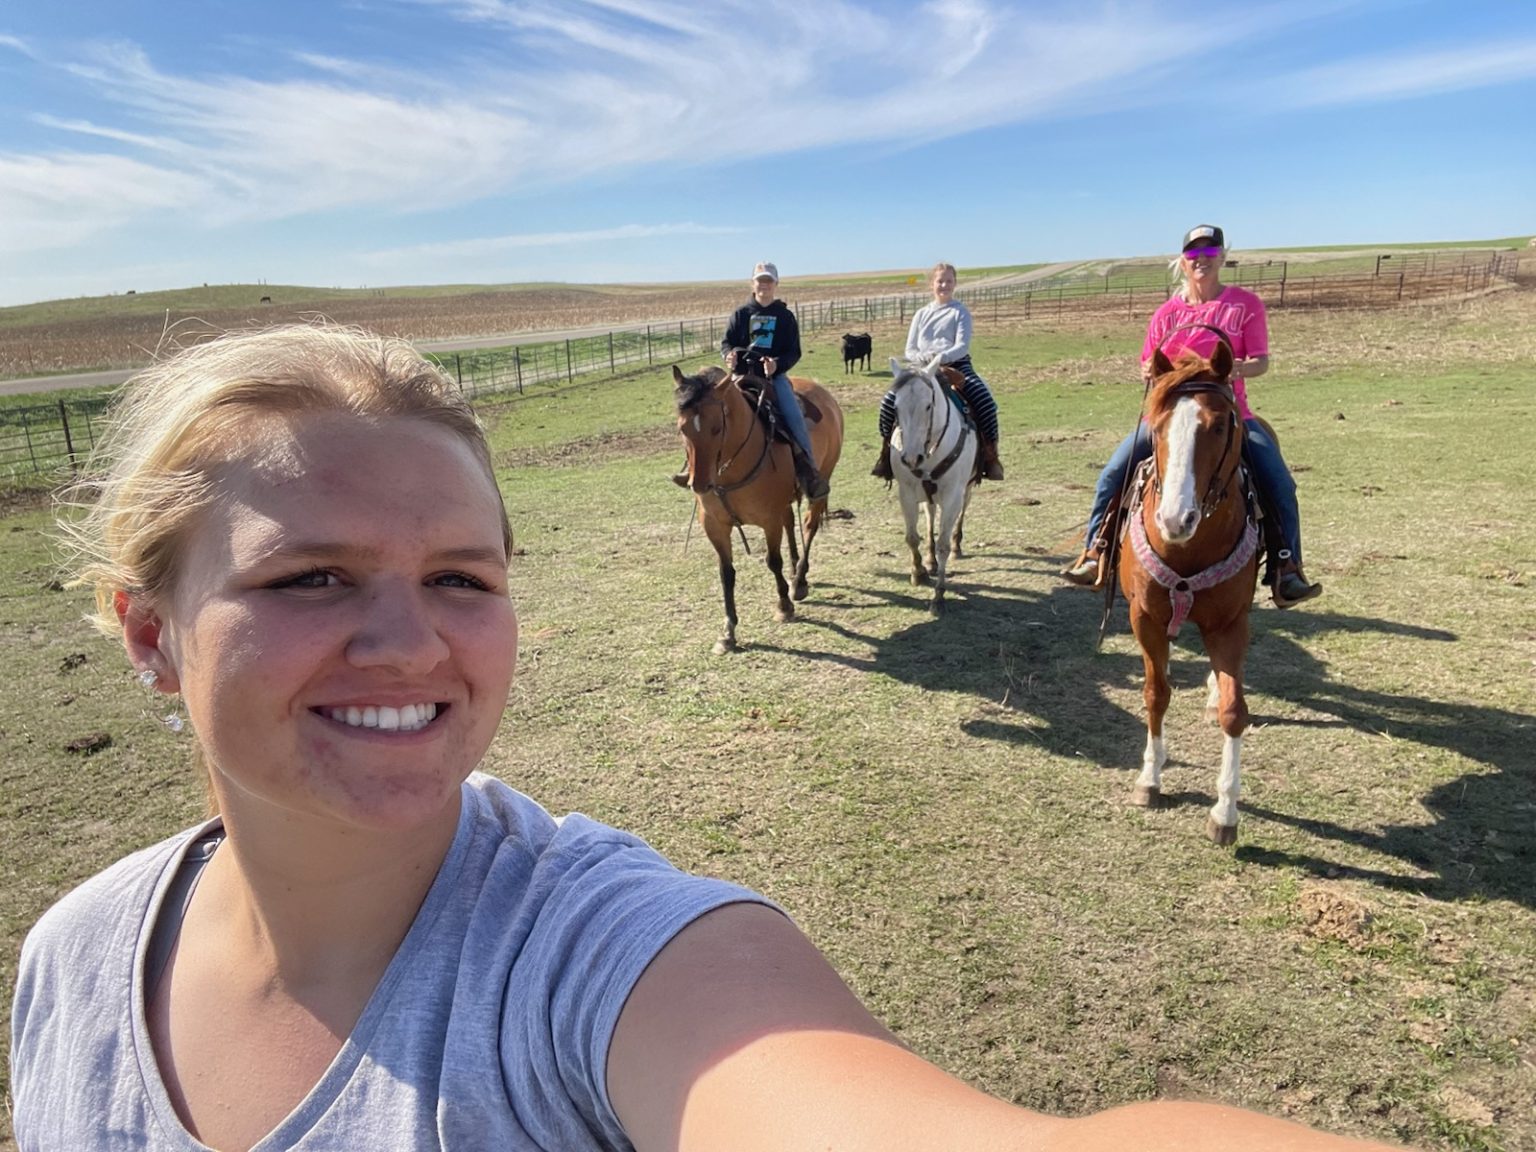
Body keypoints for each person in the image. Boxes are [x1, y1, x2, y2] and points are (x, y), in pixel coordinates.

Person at [12, 323, 1402, 1151]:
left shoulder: (592, 953)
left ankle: (1261, 555)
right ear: (147, 632)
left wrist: (828, 367)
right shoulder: (67, 963)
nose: (408, 644)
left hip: (1207, 401)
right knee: (1129, 468)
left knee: (1224, 456)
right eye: (309, 576)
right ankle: (1114, 521)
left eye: (463, 576)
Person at [1060, 225, 1323, 608]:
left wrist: (1234, 371)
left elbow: (1261, 362)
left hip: (1227, 417)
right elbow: (1148, 364)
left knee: (1279, 481)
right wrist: (1150, 370)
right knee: (1112, 475)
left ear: (1222, 258)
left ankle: (1287, 566)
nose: (1202, 262)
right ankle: (1096, 552)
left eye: (1210, 255)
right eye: (1195, 256)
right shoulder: (1166, 315)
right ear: (1183, 263)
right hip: (1168, 421)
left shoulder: (1245, 305)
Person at [672, 261, 829, 500]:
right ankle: (694, 469)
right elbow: (726, 342)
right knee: (707, 418)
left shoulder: (785, 316)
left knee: (794, 417)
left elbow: (794, 351)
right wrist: (729, 356)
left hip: (773, 379)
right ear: (752, 283)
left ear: (776, 284)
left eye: (768, 280)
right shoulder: (740, 314)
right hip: (739, 377)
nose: (764, 285)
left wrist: (777, 364)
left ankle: (808, 472)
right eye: (760, 280)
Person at [873, 262, 1004, 482]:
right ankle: (886, 453)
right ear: (932, 284)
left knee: (985, 400)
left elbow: (961, 345)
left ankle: (991, 456)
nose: (944, 285)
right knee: (889, 401)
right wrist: (922, 359)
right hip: (921, 368)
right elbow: (910, 348)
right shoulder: (921, 314)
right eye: (940, 281)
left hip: (955, 365)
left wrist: (939, 358)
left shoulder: (960, 312)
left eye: (949, 281)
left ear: (955, 284)